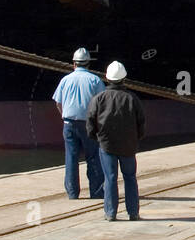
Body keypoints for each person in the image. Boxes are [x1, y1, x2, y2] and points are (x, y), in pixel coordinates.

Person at [86, 61, 146, 222]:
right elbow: (141, 122)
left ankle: (110, 213)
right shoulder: (132, 99)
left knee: (110, 178)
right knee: (130, 178)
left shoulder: (99, 99)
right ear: (124, 79)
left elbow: (90, 121)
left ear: (107, 78)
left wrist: (97, 138)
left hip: (107, 145)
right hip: (128, 146)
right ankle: (133, 213)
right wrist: (135, 139)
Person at [52, 47, 106, 200]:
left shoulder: (65, 80)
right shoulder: (95, 80)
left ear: (74, 64)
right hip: (89, 124)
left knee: (71, 158)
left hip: (69, 124)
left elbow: (58, 102)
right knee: (94, 158)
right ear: (88, 63)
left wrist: (64, 116)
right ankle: (96, 192)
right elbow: (102, 104)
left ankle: (72, 193)